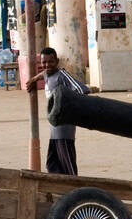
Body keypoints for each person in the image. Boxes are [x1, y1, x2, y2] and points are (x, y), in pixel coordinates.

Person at [25, 47, 94, 175]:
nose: (47, 65)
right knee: (52, 164)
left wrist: (70, 109)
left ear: (56, 61)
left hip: (65, 129)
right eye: (44, 62)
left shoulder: (62, 75)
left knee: (68, 167)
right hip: (54, 130)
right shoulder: (47, 75)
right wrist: (34, 79)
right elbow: (44, 74)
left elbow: (82, 90)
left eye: (50, 62)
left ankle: (75, 192)